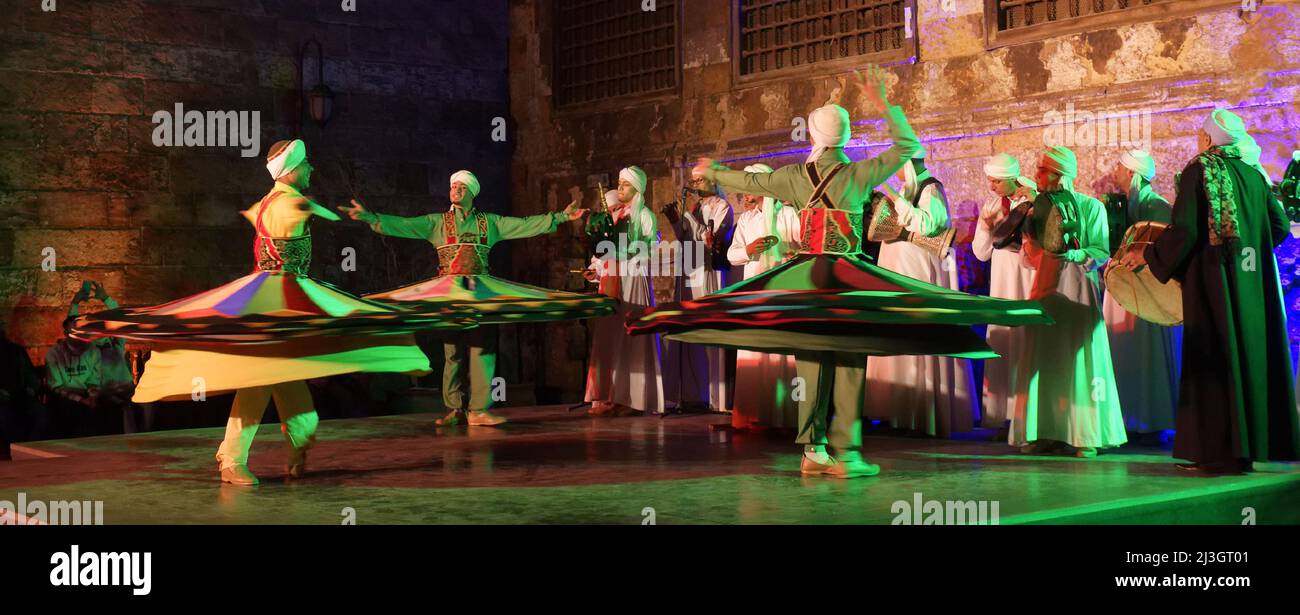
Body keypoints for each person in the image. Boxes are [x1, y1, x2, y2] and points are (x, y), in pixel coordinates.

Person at [629, 66, 1050, 478]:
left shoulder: (794, 176)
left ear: (813, 136)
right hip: (848, 277)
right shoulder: (857, 173)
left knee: (811, 354)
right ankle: (846, 450)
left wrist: (714, 171)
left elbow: (750, 184)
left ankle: (814, 448)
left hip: (807, 276)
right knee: (851, 354)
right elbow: (906, 147)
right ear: (845, 136)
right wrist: (884, 103)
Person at [74, 139, 464, 485]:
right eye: (307, 164)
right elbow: (320, 214)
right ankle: (232, 459)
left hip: (280, 297)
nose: (312, 169)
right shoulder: (292, 203)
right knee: (260, 380)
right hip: (278, 299)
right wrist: (330, 213)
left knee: (287, 377)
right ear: (292, 170)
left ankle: (297, 449)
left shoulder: (264, 204)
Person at [339, 170, 603, 427]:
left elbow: (523, 225)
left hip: (479, 293)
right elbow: (405, 225)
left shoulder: (489, 223)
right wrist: (370, 218)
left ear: (472, 193)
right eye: (454, 186)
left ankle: (478, 409)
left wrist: (559, 217)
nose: (456, 190)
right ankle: (454, 408)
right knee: (453, 352)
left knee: (482, 350)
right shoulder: (438, 223)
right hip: (450, 295)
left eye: (462, 187)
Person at [1121, 108, 1298, 473]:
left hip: (1213, 281)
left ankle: (1217, 453)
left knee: (1215, 356)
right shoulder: (1253, 174)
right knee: (1246, 357)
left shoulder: (1198, 169)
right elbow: (1279, 225)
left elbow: (1185, 231)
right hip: (1252, 283)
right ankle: (1245, 451)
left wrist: (1149, 253)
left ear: (1207, 139)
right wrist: (1253, 248)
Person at [1011, 146, 1127, 458]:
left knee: (1078, 361)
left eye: (1042, 170)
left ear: (1060, 175)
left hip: (1078, 291)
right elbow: (1030, 257)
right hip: (1047, 291)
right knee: (1045, 358)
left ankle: (1083, 433)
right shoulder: (1037, 209)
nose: (1036, 176)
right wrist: (1029, 240)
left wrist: (1074, 254)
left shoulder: (1092, 208)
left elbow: (1101, 251)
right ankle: (1044, 431)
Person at [866, 151, 979, 437]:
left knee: (917, 333)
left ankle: (923, 414)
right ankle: (897, 412)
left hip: (916, 271)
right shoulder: (909, 189)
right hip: (898, 268)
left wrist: (901, 205)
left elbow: (929, 225)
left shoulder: (931, 188)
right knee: (898, 335)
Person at [1102, 150, 1182, 439]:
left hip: (1148, 290)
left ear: (1133, 173)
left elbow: (1166, 247)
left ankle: (1150, 420)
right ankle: (1125, 418)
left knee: (1147, 355)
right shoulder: (1121, 206)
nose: (1116, 174)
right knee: (1123, 352)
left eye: (1120, 169)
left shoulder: (1158, 206)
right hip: (1123, 287)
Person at [583, 167, 666, 416]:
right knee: (609, 338)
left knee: (631, 337)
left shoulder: (645, 215)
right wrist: (594, 270)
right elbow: (603, 252)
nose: (619, 188)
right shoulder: (614, 215)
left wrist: (632, 252)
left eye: (625, 184)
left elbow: (652, 247)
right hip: (611, 280)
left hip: (632, 278)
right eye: (619, 184)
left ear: (637, 188)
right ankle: (609, 396)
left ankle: (631, 398)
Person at [726, 163, 801, 430]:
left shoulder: (787, 213)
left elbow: (804, 244)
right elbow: (732, 255)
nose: (744, 190)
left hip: (782, 291)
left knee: (781, 351)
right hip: (754, 290)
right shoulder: (747, 219)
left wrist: (793, 254)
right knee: (754, 350)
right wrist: (750, 249)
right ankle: (754, 413)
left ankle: (785, 414)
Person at [972, 154, 1037, 429]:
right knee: (1004, 346)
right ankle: (1003, 417)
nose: (991, 185)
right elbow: (981, 252)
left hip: (1026, 280)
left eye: (997, 180)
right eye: (990, 179)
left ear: (1012, 179)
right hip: (1002, 283)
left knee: (1026, 344)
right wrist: (988, 229)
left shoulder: (1032, 200)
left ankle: (1028, 417)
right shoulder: (991, 205)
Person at [661, 175, 735, 413]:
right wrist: (675, 220)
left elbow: (711, 241)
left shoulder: (723, 207)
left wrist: (691, 219)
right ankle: (694, 393)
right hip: (691, 270)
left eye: (700, 179)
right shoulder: (698, 207)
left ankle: (717, 398)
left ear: (714, 181)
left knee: (710, 329)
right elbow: (686, 238)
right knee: (690, 330)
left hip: (709, 272)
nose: (695, 183)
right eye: (693, 179)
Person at [45, 282, 135, 437]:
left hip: (123, 389)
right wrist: (75, 302)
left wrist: (106, 298)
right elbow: (71, 327)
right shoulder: (88, 346)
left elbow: (122, 319)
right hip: (101, 392)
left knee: (124, 407)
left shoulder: (115, 342)